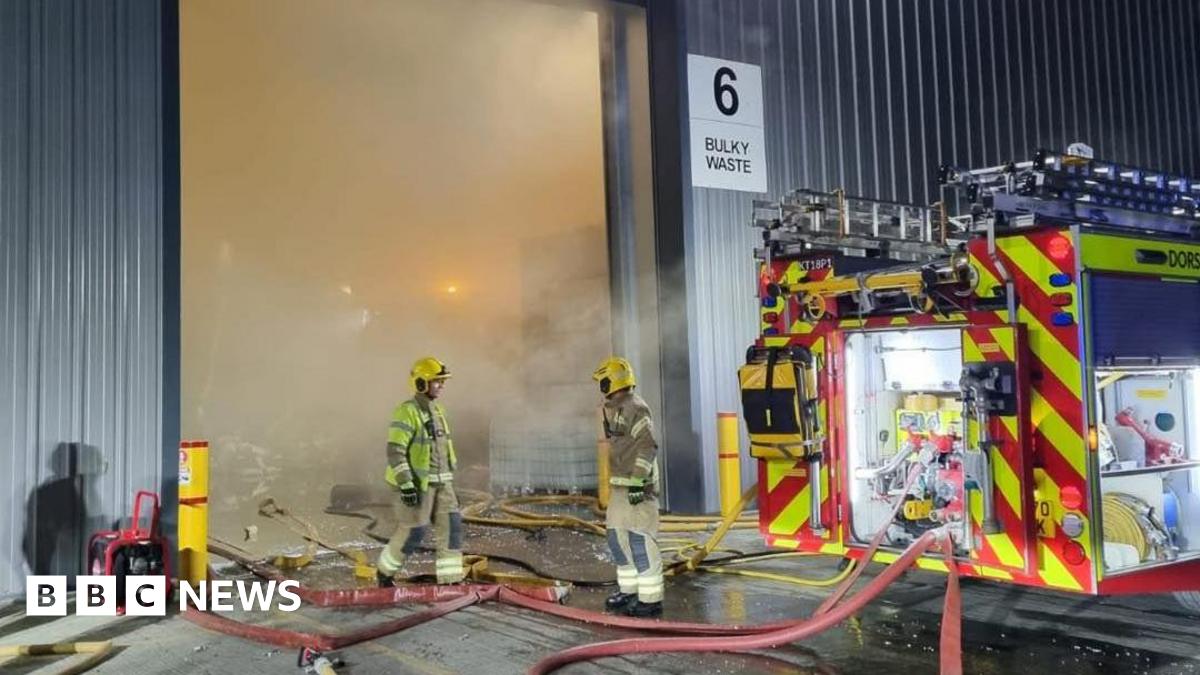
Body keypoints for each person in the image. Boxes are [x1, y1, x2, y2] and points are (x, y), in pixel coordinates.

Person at [377, 357, 464, 586]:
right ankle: (384, 573)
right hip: (416, 486)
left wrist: (450, 484)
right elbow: (395, 451)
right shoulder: (406, 412)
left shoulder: (438, 411)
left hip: (441, 484)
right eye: (437, 381)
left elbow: (442, 450)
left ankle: (451, 581)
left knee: (452, 527)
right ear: (421, 383)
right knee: (413, 533)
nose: (442, 386)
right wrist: (406, 484)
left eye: (442, 381)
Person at [592, 356, 663, 617]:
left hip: (637, 489)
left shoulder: (636, 407)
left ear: (612, 381)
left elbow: (648, 446)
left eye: (603, 381)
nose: (600, 386)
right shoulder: (618, 408)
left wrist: (637, 482)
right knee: (617, 538)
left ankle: (650, 599)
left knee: (640, 541)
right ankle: (629, 591)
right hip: (621, 488)